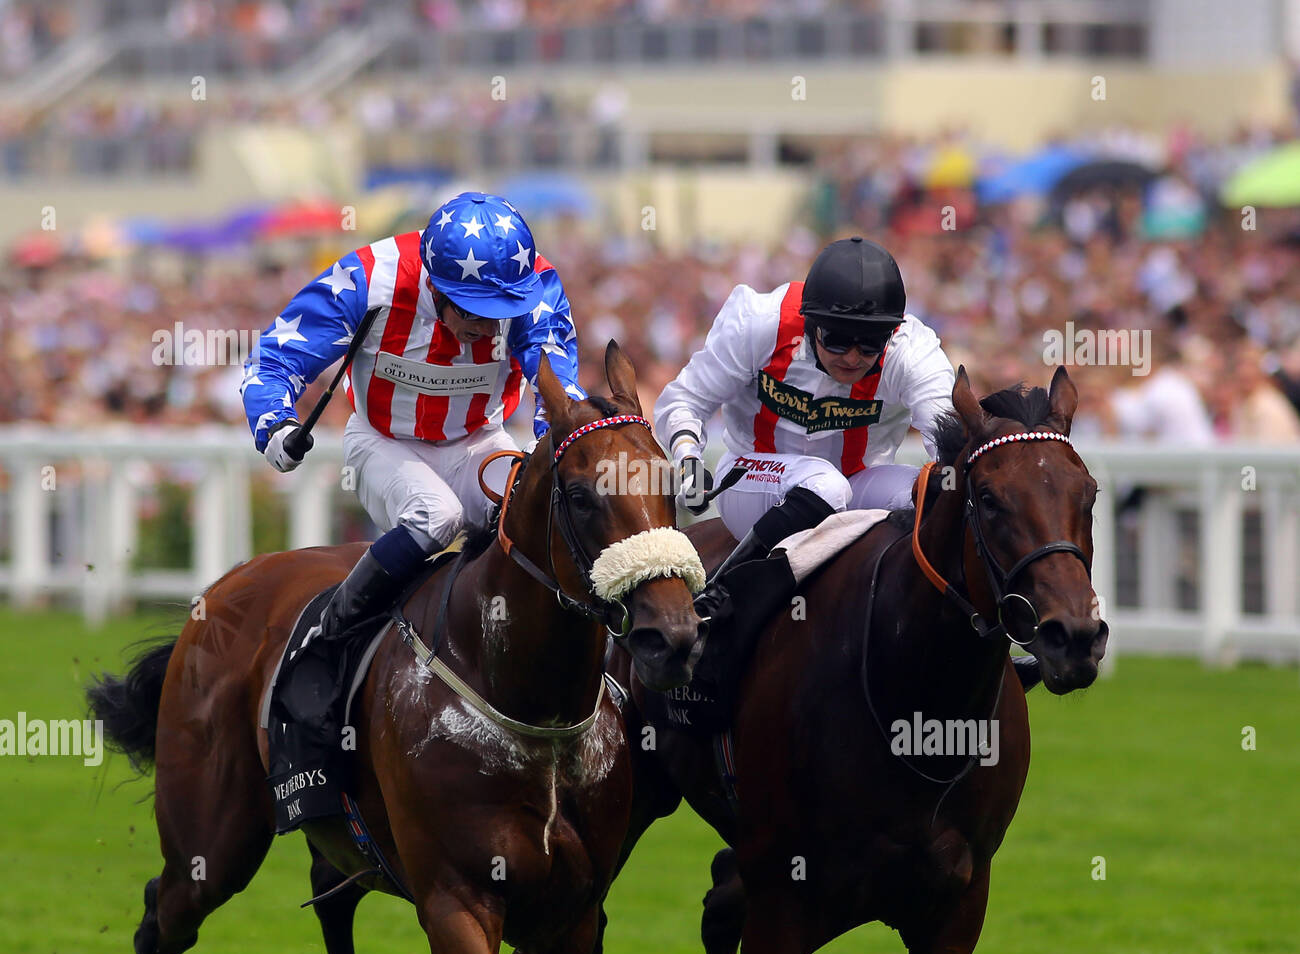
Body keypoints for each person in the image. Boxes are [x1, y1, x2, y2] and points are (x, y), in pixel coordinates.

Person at [241, 190, 585, 667]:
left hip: (478, 441)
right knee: (437, 515)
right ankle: (327, 642)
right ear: (435, 287)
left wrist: (554, 444)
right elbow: (275, 358)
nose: (489, 329)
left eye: (500, 313)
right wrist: (274, 424)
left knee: (543, 515)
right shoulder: (367, 277)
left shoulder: (532, 282)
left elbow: (558, 391)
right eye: (473, 312)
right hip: (383, 441)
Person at [654, 236, 956, 618]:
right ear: (811, 323)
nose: (852, 357)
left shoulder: (913, 352)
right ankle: (720, 593)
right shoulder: (759, 323)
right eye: (837, 340)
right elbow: (684, 400)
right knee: (825, 484)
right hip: (752, 478)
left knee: (930, 496)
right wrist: (688, 460)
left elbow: (950, 444)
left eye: (869, 345)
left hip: (857, 484)